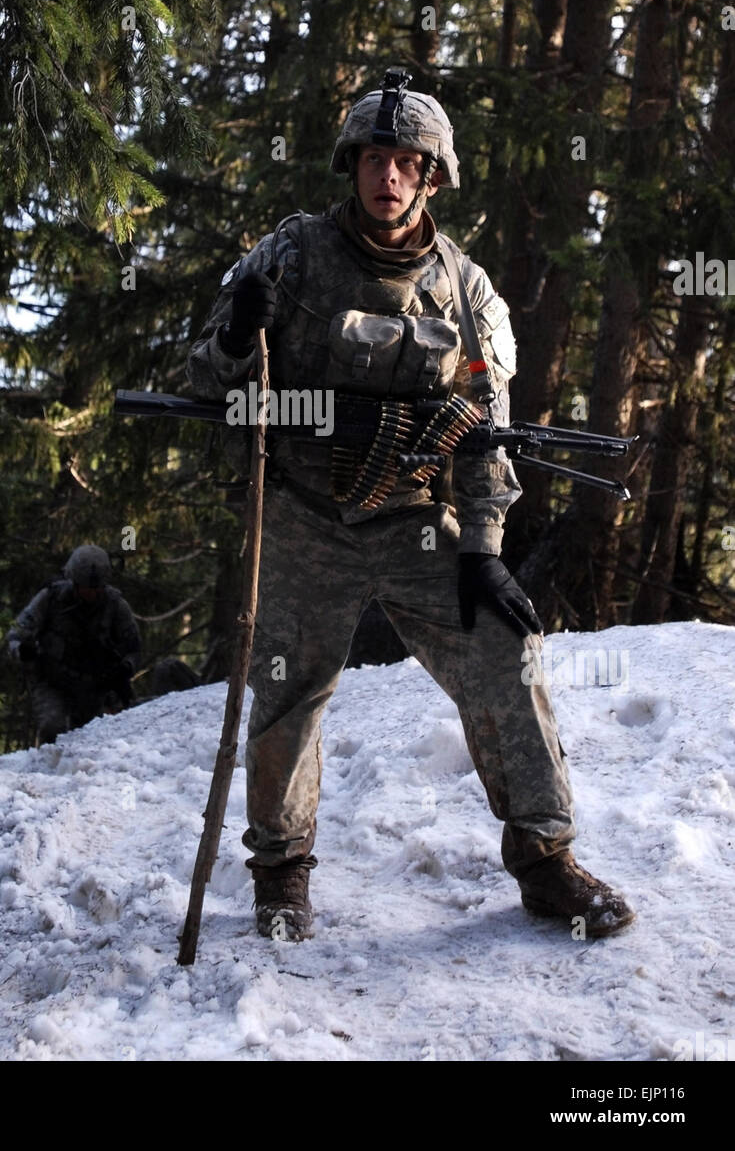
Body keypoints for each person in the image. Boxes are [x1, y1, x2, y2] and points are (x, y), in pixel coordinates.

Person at [187, 68, 634, 942]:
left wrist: (485, 548)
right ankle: (280, 873)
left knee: (505, 653)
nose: (387, 177)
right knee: (287, 691)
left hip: (413, 517)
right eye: (372, 160)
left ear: (431, 177)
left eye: (405, 163)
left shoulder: (466, 296)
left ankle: (545, 864)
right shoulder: (287, 258)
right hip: (304, 513)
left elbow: (488, 432)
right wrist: (239, 334)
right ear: (349, 167)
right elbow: (206, 381)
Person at [7, 544, 142, 746]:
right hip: (52, 681)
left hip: (95, 687)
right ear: (74, 582)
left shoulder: (115, 605)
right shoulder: (51, 598)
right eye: (87, 587)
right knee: (53, 728)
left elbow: (134, 648)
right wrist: (23, 651)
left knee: (99, 739)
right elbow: (15, 634)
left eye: (97, 588)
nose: (92, 593)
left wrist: (124, 669)